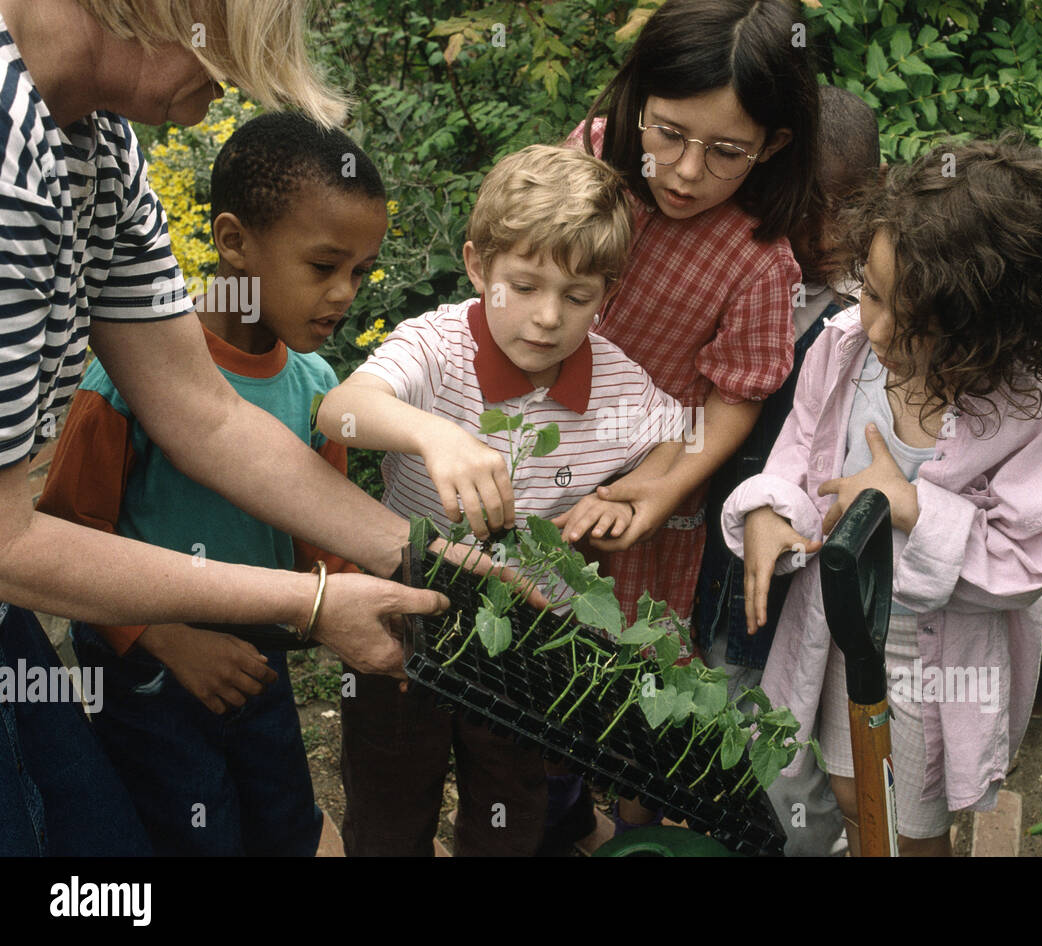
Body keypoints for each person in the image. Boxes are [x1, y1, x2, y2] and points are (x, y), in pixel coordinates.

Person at [0, 0, 463, 857]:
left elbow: (202, 410)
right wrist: (315, 603)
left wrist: (419, 555)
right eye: (231, 56)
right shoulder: (9, 167)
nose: (230, 87)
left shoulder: (96, 145)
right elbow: (12, 541)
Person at [724, 134, 1042, 856]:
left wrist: (911, 505)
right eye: (872, 292)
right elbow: (801, 453)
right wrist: (772, 507)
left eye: (919, 324)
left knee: (910, 818)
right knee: (852, 794)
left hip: (933, 661)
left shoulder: (1040, 413)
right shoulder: (843, 350)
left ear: (992, 330)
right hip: (840, 633)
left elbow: (1028, 561)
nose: (881, 330)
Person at [315, 144, 685, 857]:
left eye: (578, 298)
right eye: (525, 285)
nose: (548, 318)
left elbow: (682, 437)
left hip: (525, 634)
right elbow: (341, 410)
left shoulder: (616, 383)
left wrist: (633, 492)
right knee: (390, 801)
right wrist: (432, 434)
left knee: (512, 809)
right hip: (404, 621)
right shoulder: (437, 348)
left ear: (607, 294)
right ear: (478, 265)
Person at [36, 112, 387, 855]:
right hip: (149, 672)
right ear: (233, 242)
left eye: (360, 272)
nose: (344, 294)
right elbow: (66, 533)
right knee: (195, 832)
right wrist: (166, 638)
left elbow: (325, 549)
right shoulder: (131, 378)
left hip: (259, 658)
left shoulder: (317, 387)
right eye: (323, 267)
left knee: (285, 820)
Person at [556, 0, 818, 833]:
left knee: (638, 690)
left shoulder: (758, 260)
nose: (684, 171)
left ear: (773, 145)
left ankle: (639, 832)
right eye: (667, 133)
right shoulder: (592, 160)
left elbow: (730, 404)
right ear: (636, 102)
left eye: (725, 151)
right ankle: (556, 816)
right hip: (536, 461)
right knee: (536, 664)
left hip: (653, 497)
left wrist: (657, 492)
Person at [693, 84, 879, 856]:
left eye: (851, 205)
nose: (831, 231)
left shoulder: (876, 314)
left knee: (795, 743)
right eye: (813, 207)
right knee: (742, 711)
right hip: (731, 560)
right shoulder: (748, 282)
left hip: (818, 573)